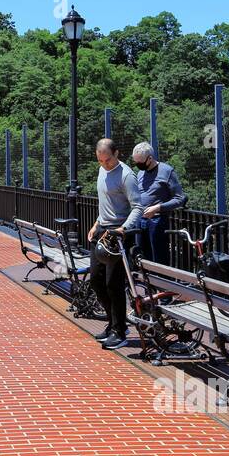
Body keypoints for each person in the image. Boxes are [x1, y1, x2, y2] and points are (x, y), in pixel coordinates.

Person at [87, 138, 144, 350]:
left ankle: (120, 331)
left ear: (117, 153)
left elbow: (137, 207)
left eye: (108, 160)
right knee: (96, 280)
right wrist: (96, 223)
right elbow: (105, 203)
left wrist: (123, 229)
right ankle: (113, 323)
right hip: (102, 230)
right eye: (100, 161)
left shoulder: (127, 175)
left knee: (114, 284)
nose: (104, 164)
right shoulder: (102, 170)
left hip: (119, 233)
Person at [130, 142, 187, 263]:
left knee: (158, 257)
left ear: (150, 158)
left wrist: (158, 208)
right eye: (136, 162)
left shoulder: (166, 171)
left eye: (140, 163)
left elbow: (179, 198)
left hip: (157, 220)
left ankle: (160, 280)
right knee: (141, 256)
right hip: (140, 220)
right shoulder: (141, 173)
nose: (138, 165)